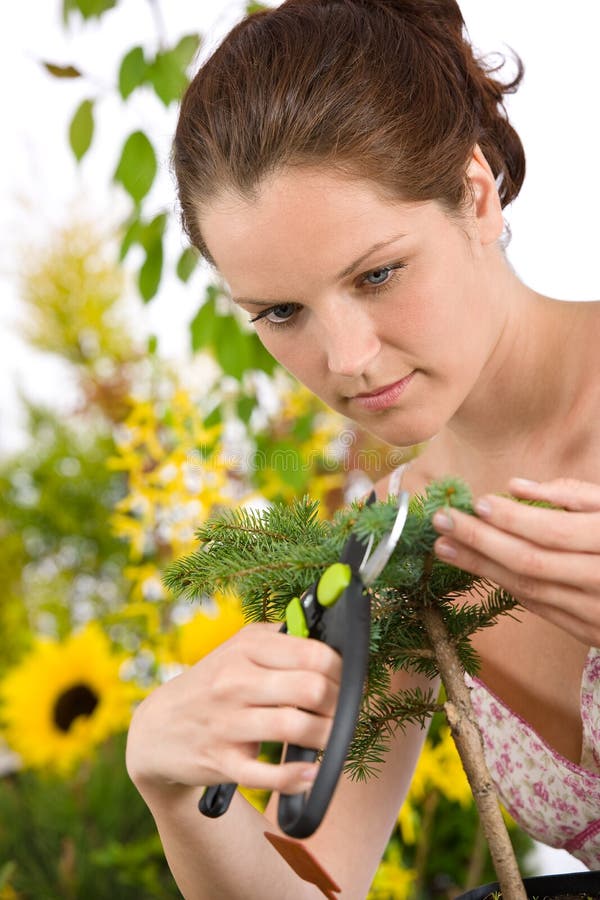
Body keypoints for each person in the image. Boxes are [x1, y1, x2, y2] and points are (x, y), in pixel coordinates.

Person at [125, 0, 600, 895]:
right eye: (281, 313)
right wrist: (173, 789)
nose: (345, 361)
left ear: (476, 192)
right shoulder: (395, 550)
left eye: (377, 273)